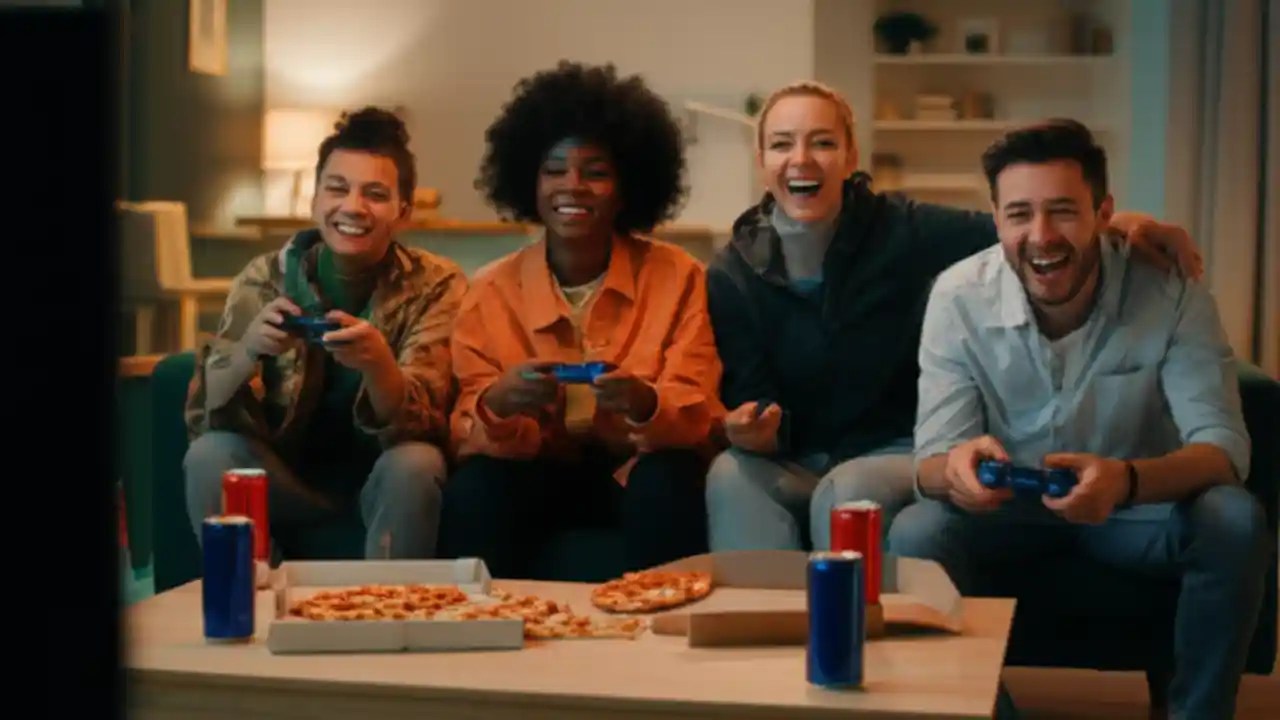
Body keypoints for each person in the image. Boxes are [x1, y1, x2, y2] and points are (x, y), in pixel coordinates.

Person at [703, 81, 1204, 552]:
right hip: (792, 457)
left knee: (850, 489)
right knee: (730, 473)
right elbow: (749, 390)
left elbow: (1023, 227)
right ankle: (759, 634)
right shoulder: (732, 271)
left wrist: (1124, 224)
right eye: (782, 144)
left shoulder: (905, 230)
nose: (801, 159)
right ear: (762, 160)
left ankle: (853, 641)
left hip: (891, 450)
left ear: (851, 156)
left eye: (822, 142)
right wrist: (752, 428)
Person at [888, 119, 1268, 720]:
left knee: (1235, 518)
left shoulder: (1172, 292)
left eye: (1063, 211)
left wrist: (1126, 479)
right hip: (1009, 510)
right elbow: (933, 459)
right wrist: (955, 470)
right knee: (915, 532)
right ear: (995, 218)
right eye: (1019, 214)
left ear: (1103, 212)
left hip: (1134, 511)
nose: (1041, 236)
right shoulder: (957, 296)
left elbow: (1224, 451)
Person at [438, 61, 722, 578]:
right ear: (529, 181)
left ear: (626, 187)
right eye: (554, 170)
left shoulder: (680, 277)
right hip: (534, 469)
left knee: (669, 478)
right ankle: (478, 634)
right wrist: (499, 403)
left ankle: (663, 632)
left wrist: (645, 401)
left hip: (635, 471)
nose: (573, 186)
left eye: (595, 172)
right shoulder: (490, 291)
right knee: (476, 487)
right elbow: (466, 426)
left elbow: (698, 406)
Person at [183, 107, 468, 560]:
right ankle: (249, 603)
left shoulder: (438, 284)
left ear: (403, 212)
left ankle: (390, 619)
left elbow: (429, 423)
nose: (353, 207)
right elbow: (203, 411)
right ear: (314, 200)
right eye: (337, 189)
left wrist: (379, 365)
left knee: (416, 462)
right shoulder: (266, 276)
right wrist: (248, 352)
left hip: (383, 482)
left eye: (375, 194)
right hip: (287, 480)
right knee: (209, 456)